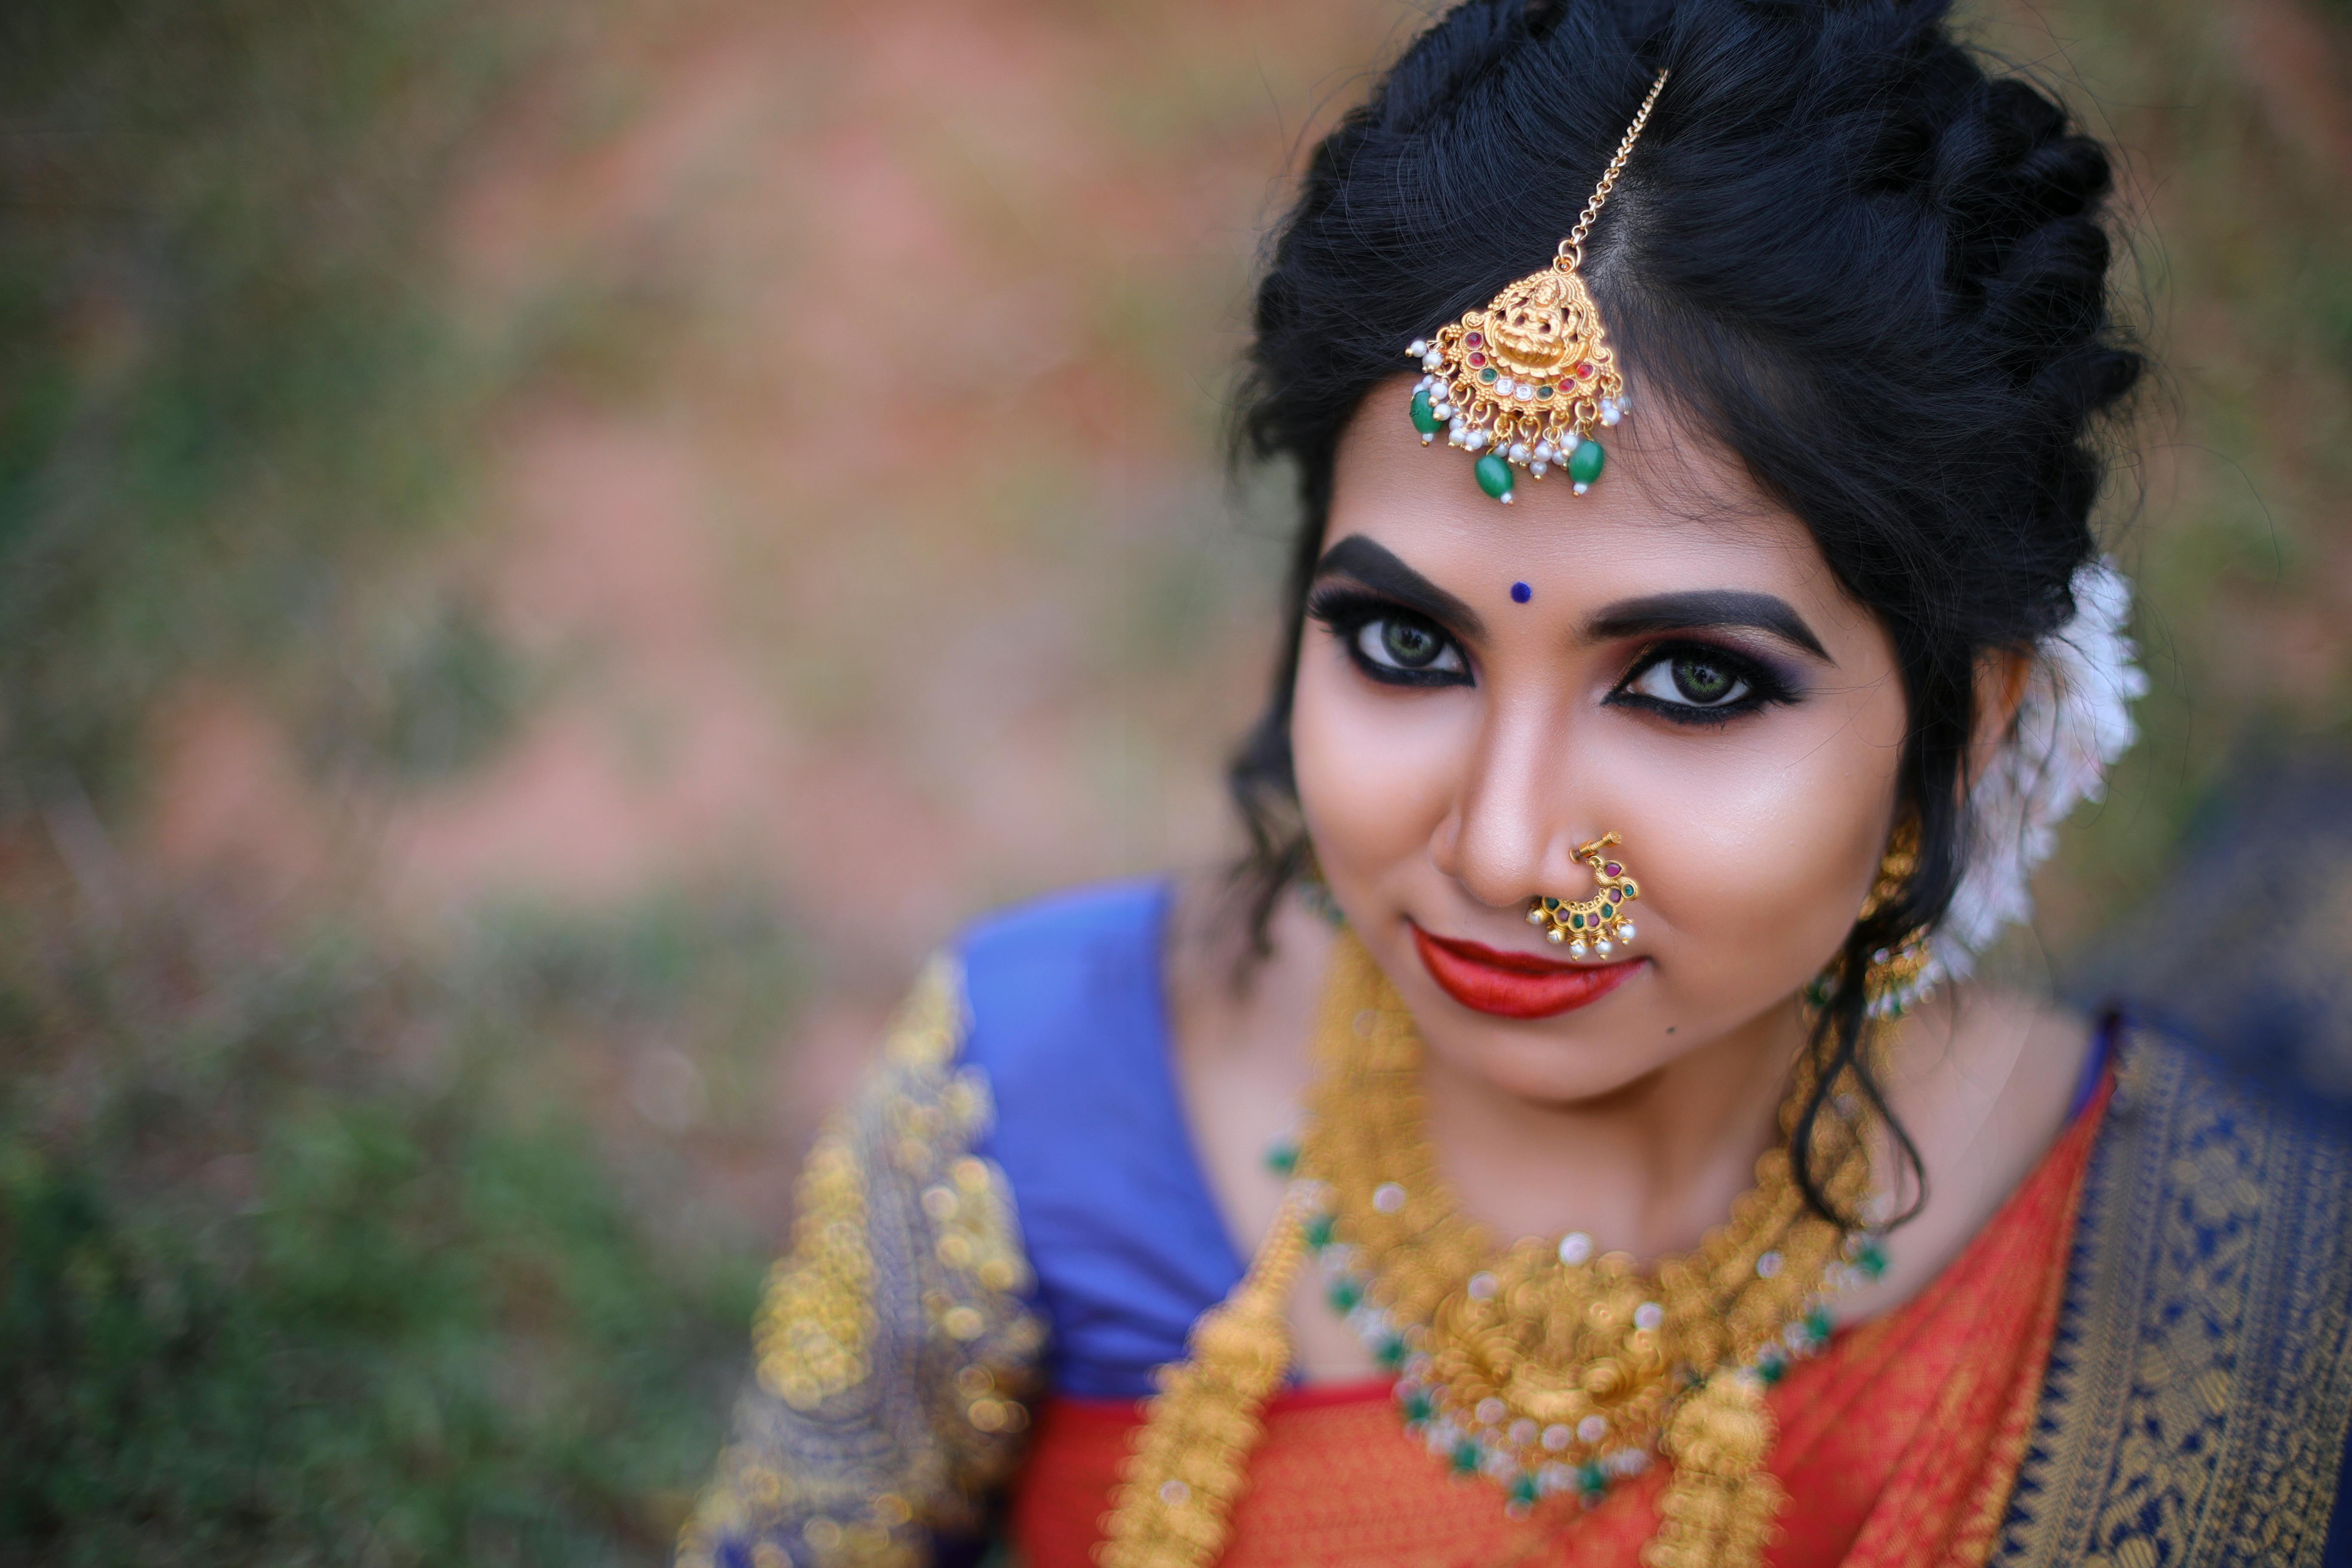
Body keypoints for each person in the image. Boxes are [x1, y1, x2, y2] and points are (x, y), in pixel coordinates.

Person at [674, 1, 2352, 1564]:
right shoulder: (1024, 1105)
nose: (1498, 846)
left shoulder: (2211, 1296)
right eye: (1406, 643)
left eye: (1693, 681)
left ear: (1969, 727)